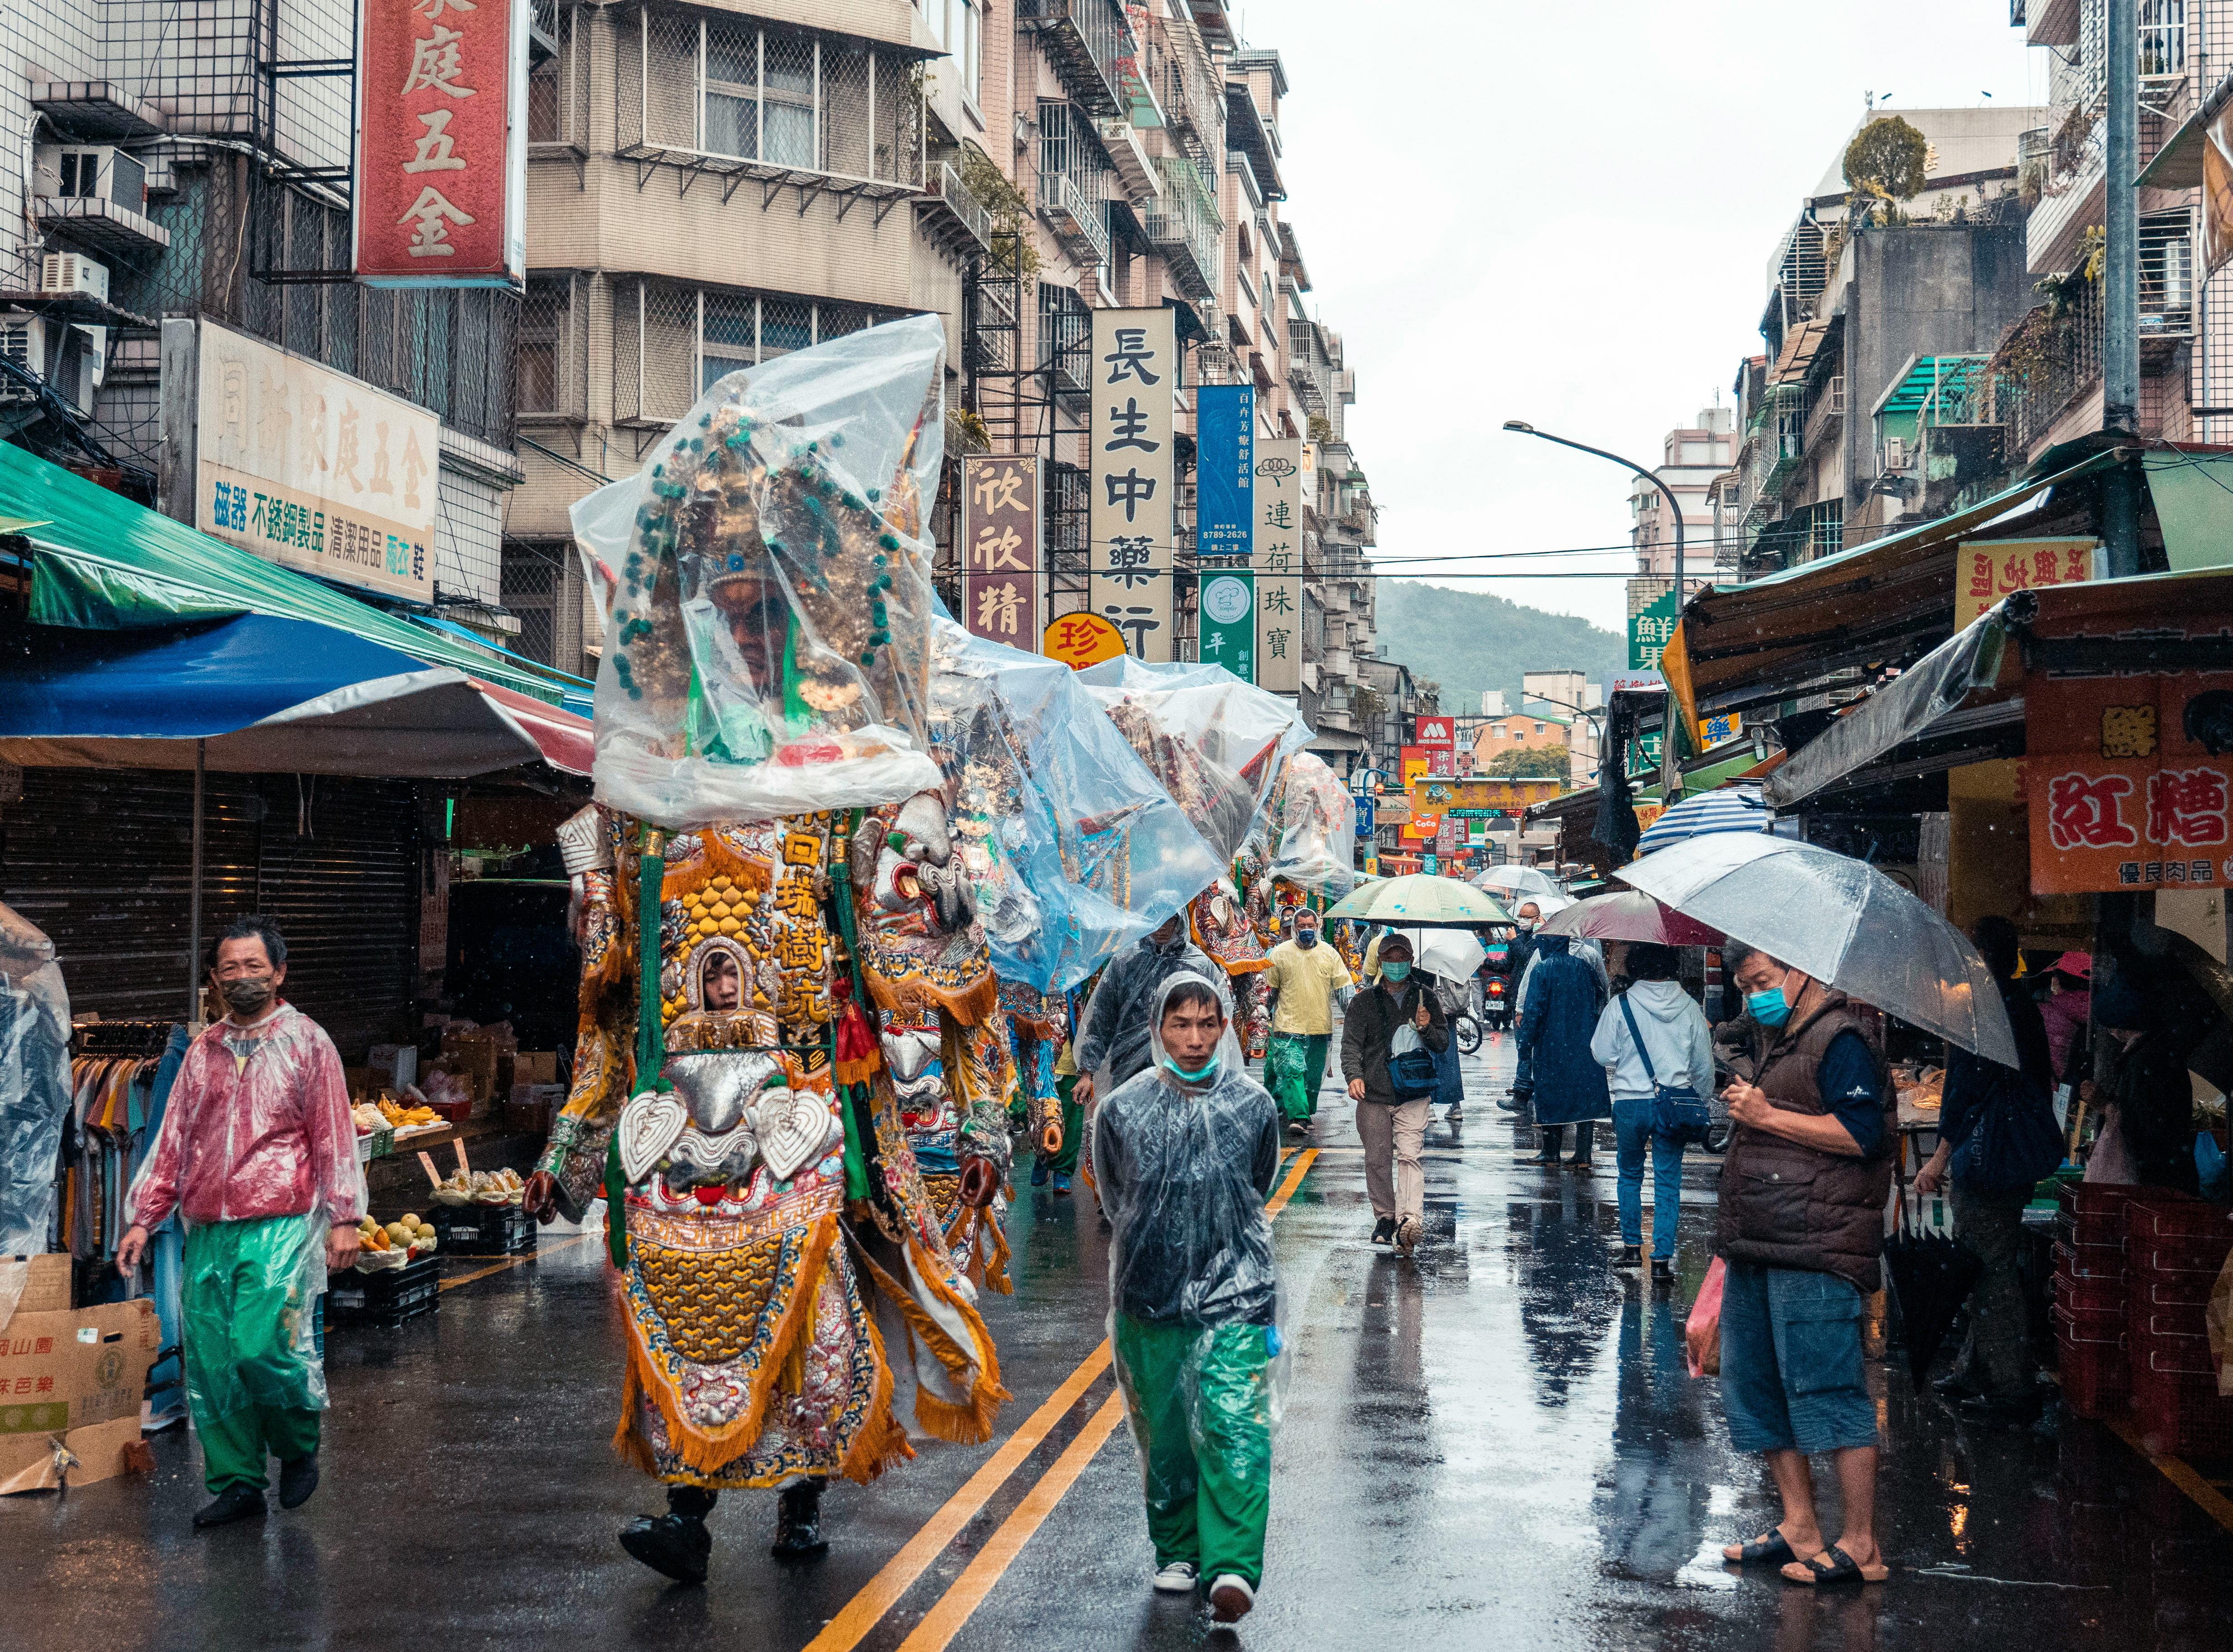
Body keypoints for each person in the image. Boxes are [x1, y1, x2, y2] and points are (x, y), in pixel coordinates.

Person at [117, 917, 362, 1530]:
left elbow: (334, 1133)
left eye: (255, 966)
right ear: (213, 979)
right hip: (208, 1227)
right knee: (215, 1363)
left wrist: (345, 1217)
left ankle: (298, 1441)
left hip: (278, 1224)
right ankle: (237, 1482)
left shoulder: (308, 1042)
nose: (243, 978)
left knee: (264, 1347)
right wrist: (144, 1218)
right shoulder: (203, 1052)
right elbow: (171, 1138)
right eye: (230, 968)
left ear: (279, 972)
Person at [1095, 973, 1282, 1627]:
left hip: (1239, 1289)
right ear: (1157, 1027)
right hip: (1150, 1292)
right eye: (1182, 1024)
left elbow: (1259, 1181)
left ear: (1227, 1026)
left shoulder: (1255, 1103)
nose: (1196, 1038)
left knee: (1235, 1425)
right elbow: (1116, 1198)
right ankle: (1177, 1548)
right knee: (1167, 1431)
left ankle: (1232, 1564)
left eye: (1209, 1023)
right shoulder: (1120, 1109)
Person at [1713, 944, 1893, 1588]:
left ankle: (1862, 1542)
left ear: (1802, 971)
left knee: (1830, 1389)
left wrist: (1768, 1115)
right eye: (1745, 984)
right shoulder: (1780, 1035)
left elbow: (1863, 1134)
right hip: (1761, 1238)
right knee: (1754, 1384)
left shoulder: (1844, 1038)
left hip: (1816, 1243)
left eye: (1762, 980)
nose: (1754, 993)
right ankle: (1800, 1524)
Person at [1914, 917, 2057, 1423]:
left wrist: (1937, 1158)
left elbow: (1967, 1095)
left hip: (1992, 1160)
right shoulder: (2014, 1006)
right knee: (1986, 1260)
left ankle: (2011, 1388)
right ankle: (1976, 1369)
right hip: (2008, 1157)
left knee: (1990, 1270)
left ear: (1978, 958)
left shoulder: (1991, 1013)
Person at [1590, 942, 1712, 1280]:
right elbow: (1703, 1067)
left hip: (1630, 1102)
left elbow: (1601, 1052)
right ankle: (1661, 1260)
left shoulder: (1621, 1004)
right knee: (1668, 1182)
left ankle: (1631, 1248)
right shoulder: (1690, 1008)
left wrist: (1627, 1059)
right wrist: (1694, 1100)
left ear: (1635, 967)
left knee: (1629, 1174)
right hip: (1673, 1103)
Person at [1340, 934, 1447, 1255]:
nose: (1396, 964)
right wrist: (1354, 1075)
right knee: (1377, 1159)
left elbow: (1442, 1043)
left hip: (1414, 1093)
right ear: (1381, 961)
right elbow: (1350, 1045)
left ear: (1411, 960)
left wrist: (1427, 1027)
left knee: (1410, 1155)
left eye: (1402, 958)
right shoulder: (1362, 1002)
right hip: (1373, 1094)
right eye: (1390, 957)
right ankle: (1385, 1217)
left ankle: (1409, 1220)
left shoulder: (1426, 997)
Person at [1073, 913, 1219, 1106]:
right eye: (1156, 917)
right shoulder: (1125, 962)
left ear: (1181, 921)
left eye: (1170, 919)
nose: (1162, 926)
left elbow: (1215, 1022)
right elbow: (1102, 1019)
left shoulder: (1198, 966)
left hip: (1182, 1070)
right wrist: (1087, 1073)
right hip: (1129, 1070)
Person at [1259, 908, 1356, 1138]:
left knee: (1313, 1077)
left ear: (1317, 927)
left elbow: (1344, 990)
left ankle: (1306, 1111)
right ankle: (1299, 1117)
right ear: (1294, 928)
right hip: (1286, 1027)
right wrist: (1262, 1020)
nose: (1306, 931)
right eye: (1301, 926)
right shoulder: (1279, 954)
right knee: (1292, 1072)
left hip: (1320, 1028)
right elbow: (1268, 992)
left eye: (1310, 926)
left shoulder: (1330, 954)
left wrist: (1356, 1018)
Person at [1516, 933, 1610, 1168]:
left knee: (1551, 1095)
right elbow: (1601, 995)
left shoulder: (1542, 970)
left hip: (1552, 1043)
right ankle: (1583, 1154)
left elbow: (1533, 1012)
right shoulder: (1585, 967)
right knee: (1585, 1096)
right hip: (1585, 1041)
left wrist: (1526, 1045)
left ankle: (1550, 1152)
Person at [2038, 951, 2091, 1092]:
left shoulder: (2042, 1013)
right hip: (2085, 1094)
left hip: (2052, 1093)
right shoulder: (2102, 1012)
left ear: (2057, 981)